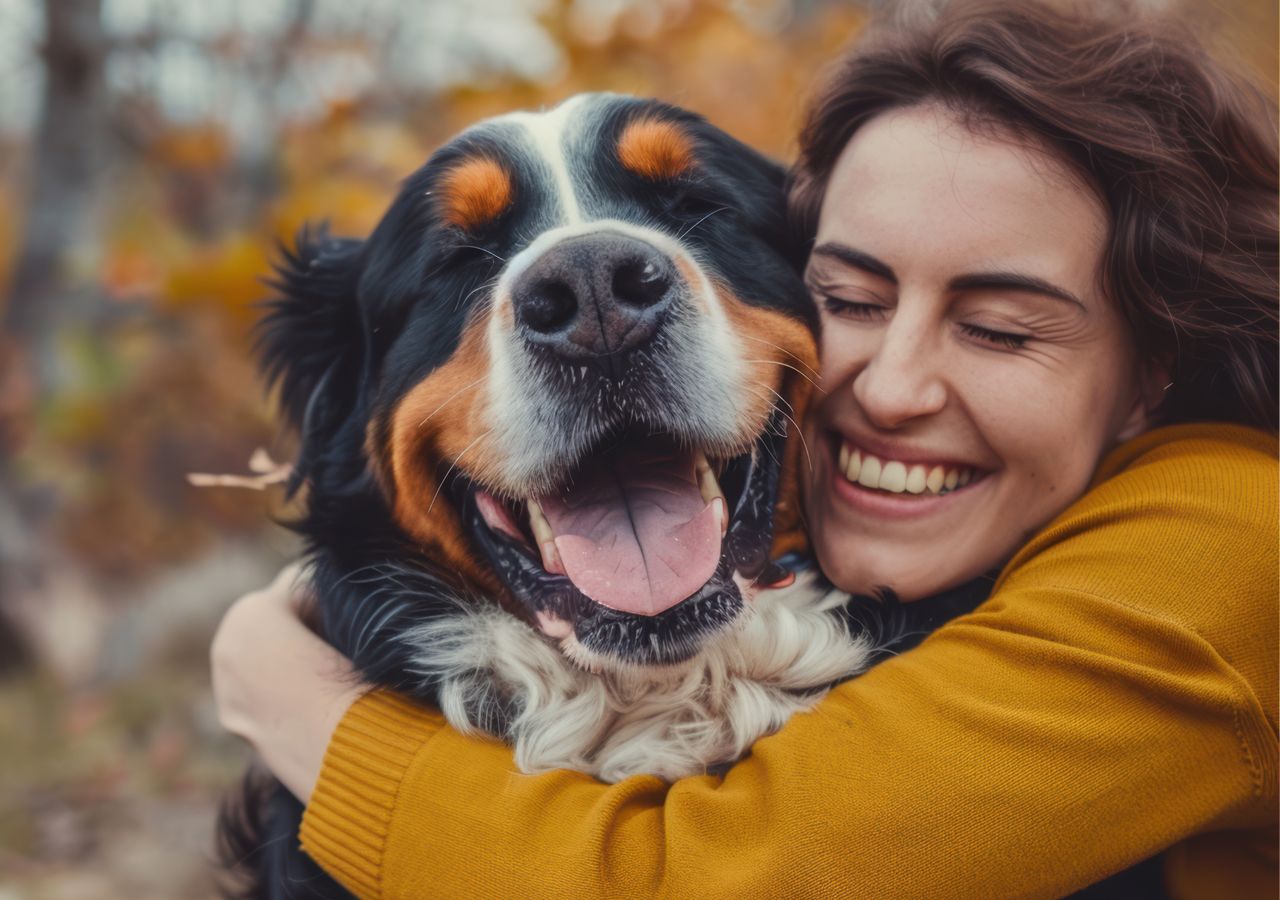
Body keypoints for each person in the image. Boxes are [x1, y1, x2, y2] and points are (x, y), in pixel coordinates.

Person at [211, 1, 1278, 897]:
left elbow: (733, 872)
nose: (894, 389)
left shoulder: (1223, 538)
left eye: (999, 326)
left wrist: (307, 714)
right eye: (851, 296)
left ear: (1156, 364)